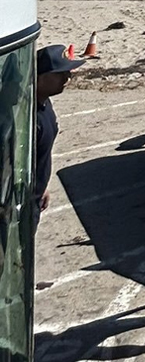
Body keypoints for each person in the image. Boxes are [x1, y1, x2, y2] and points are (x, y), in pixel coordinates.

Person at [33, 45, 84, 232]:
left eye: (68, 72)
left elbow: (41, 154)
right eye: (60, 73)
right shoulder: (28, 118)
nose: (67, 78)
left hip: (34, 197)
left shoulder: (45, 101)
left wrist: (42, 186)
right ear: (39, 78)